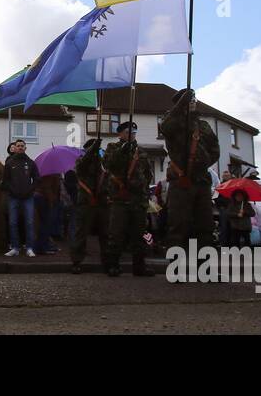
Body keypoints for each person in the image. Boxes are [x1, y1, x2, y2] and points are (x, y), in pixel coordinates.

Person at [158, 88, 219, 249]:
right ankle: (177, 269)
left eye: (193, 100)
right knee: (179, 225)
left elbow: (215, 150)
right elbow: (165, 127)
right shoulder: (174, 122)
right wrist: (180, 104)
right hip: (181, 180)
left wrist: (201, 163)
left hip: (201, 180)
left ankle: (204, 269)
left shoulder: (203, 125)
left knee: (205, 226)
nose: (193, 103)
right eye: (189, 100)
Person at [103, 121, 157, 278]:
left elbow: (147, 173)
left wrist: (144, 191)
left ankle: (139, 267)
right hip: (120, 198)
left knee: (138, 234)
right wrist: (122, 150)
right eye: (127, 132)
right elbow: (108, 165)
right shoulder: (113, 148)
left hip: (138, 199)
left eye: (133, 132)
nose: (131, 135)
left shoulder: (141, 151)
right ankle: (113, 265)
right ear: (120, 134)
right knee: (116, 233)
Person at [70, 140, 109, 273]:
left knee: (106, 234)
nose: (97, 152)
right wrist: (93, 149)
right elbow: (81, 166)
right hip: (87, 201)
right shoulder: (82, 161)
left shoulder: (103, 163)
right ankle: (76, 262)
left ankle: (108, 262)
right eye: (94, 149)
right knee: (81, 233)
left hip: (102, 201)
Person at [1, 139, 39, 258]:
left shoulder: (31, 162)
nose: (20, 147)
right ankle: (15, 248)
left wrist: (30, 190)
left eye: (22, 146)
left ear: (25, 148)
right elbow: (5, 181)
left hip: (28, 198)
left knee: (29, 222)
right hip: (13, 197)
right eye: (18, 146)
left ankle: (29, 248)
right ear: (15, 148)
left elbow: (37, 179)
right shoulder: (9, 163)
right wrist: (13, 191)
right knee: (12, 223)